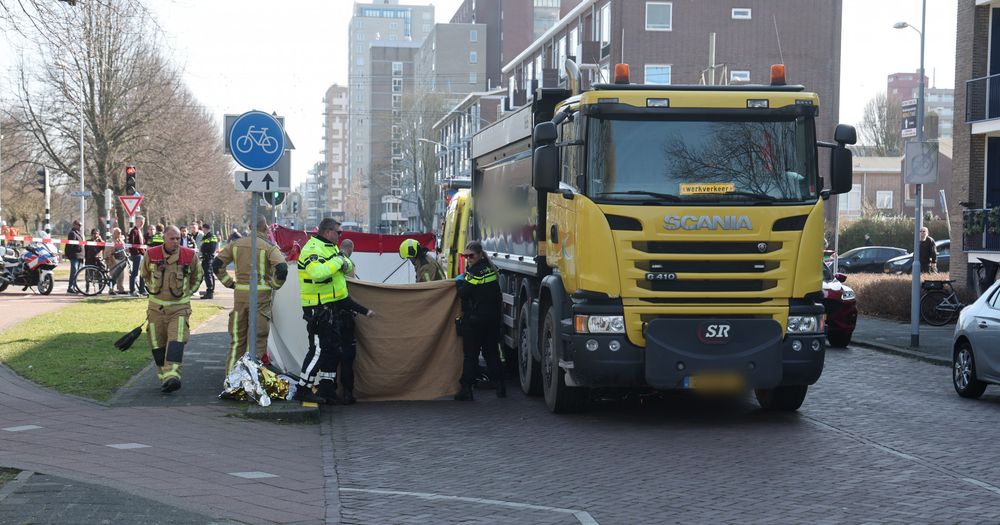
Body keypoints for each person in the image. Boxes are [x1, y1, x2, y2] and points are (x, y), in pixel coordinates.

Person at [295, 218, 373, 404]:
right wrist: (339, 261)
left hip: (332, 307)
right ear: (328, 232)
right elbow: (317, 273)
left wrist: (340, 261)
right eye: (338, 232)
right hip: (317, 308)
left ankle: (327, 389)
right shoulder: (312, 249)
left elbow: (349, 267)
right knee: (318, 351)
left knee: (332, 351)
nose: (340, 236)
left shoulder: (331, 249)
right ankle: (303, 389)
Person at [213, 217, 288, 375]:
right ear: (265, 228)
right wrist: (274, 285)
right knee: (256, 341)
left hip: (240, 297)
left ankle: (231, 379)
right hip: (260, 299)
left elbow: (217, 264)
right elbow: (282, 268)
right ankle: (250, 380)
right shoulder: (269, 247)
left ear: (249, 227)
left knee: (237, 341)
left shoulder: (235, 244)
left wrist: (229, 283)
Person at [140, 225, 203, 393]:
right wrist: (153, 288)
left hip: (179, 309)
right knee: (157, 344)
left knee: (176, 340)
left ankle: (173, 376)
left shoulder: (189, 255)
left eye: (177, 238)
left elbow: (198, 276)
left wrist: (188, 292)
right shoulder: (151, 254)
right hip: (155, 310)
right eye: (172, 238)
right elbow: (144, 274)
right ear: (164, 238)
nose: (176, 241)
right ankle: (164, 378)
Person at [454, 241, 504, 401]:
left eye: (471, 255)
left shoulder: (474, 272)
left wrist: (459, 284)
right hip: (492, 320)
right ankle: (500, 386)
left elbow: (464, 293)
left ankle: (466, 389)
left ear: (480, 254)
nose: (468, 259)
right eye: (465, 256)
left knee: (471, 356)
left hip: (475, 321)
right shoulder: (490, 269)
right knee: (492, 354)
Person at [103, 227, 127, 295]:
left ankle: (121, 289)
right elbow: (107, 252)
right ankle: (111, 290)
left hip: (121, 260)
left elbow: (124, 249)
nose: (120, 234)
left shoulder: (121, 240)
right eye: (118, 233)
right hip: (113, 260)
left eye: (120, 233)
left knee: (121, 276)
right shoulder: (110, 241)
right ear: (114, 233)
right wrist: (110, 260)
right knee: (113, 276)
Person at [128, 215, 147, 296]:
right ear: (136, 222)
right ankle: (132, 290)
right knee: (135, 273)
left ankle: (142, 289)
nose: (142, 224)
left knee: (143, 273)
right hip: (137, 255)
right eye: (141, 222)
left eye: (143, 222)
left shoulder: (140, 231)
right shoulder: (134, 231)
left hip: (142, 254)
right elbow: (132, 244)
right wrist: (136, 253)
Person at [199, 223, 219, 299]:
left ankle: (210, 292)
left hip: (208, 258)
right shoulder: (206, 236)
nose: (202, 230)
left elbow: (212, 248)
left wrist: (207, 255)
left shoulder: (211, 236)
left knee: (208, 274)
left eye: (203, 229)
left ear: (205, 228)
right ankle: (210, 291)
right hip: (205, 258)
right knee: (208, 274)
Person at [64, 220, 84, 294]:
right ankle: (70, 287)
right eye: (79, 225)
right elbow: (69, 245)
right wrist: (67, 254)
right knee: (74, 271)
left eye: (80, 225)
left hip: (79, 256)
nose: (80, 226)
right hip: (75, 255)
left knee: (77, 272)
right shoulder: (72, 233)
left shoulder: (78, 233)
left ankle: (74, 287)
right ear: (74, 225)